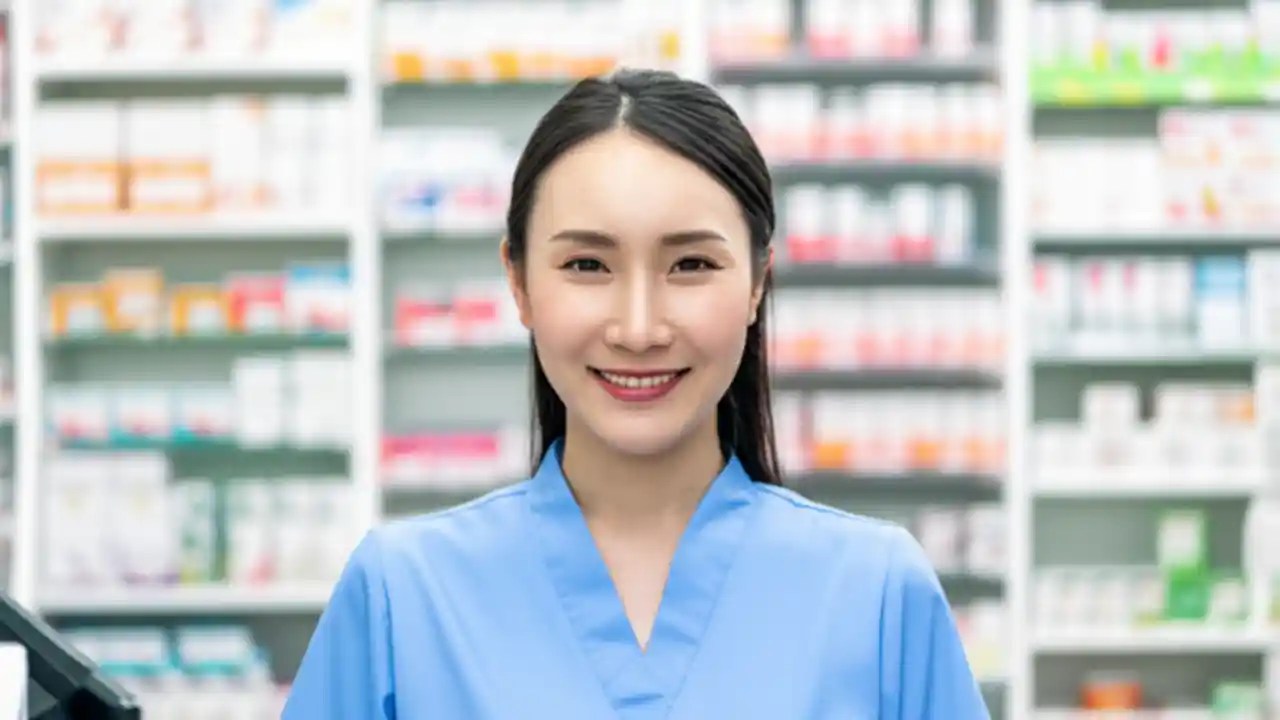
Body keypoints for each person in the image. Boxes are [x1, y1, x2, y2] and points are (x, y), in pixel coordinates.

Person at [283, 68, 990, 719]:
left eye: (690, 264)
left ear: (756, 283)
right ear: (520, 282)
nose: (640, 327)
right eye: (588, 264)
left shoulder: (877, 596)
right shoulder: (402, 600)